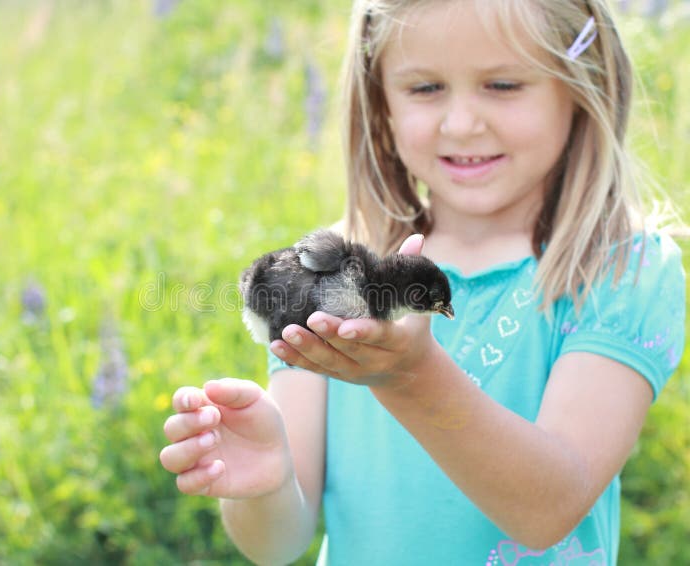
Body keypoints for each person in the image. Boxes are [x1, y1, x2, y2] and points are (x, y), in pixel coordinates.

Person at [159, 0, 686, 563]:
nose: (460, 123)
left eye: (503, 84)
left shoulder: (618, 270)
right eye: (426, 88)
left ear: (584, 83)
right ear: (378, 96)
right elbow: (279, 543)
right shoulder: (326, 277)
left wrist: (412, 377)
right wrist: (265, 484)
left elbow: (548, 509)